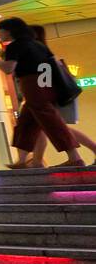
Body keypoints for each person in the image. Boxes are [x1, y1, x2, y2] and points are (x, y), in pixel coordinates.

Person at [0, 17, 84, 168]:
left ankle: (74, 158)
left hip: (32, 85)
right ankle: (22, 161)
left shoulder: (15, 46)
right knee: (26, 122)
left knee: (51, 122)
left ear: (9, 30)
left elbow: (8, 69)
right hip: (47, 85)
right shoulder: (37, 44)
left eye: (0, 29)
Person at [29, 25, 96, 164]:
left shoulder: (39, 55)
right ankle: (36, 161)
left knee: (55, 128)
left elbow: (45, 82)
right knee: (45, 128)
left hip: (52, 99)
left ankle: (36, 162)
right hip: (54, 98)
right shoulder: (44, 53)